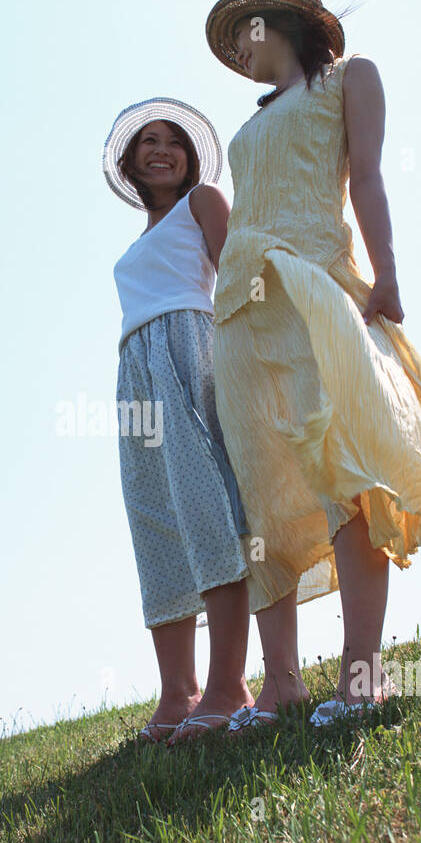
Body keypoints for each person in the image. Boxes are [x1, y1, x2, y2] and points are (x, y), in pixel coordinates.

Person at [202, 0, 421, 730]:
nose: (237, 58)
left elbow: (369, 177)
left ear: (267, 22)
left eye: (238, 42)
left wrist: (388, 274)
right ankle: (280, 687)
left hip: (313, 283)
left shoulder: (350, 78)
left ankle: (361, 676)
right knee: (265, 494)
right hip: (243, 315)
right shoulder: (248, 126)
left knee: (341, 472)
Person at [103, 98, 257, 745]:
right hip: (134, 368)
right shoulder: (137, 242)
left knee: (206, 510)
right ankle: (177, 693)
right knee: (155, 522)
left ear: (188, 156)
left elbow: (239, 276)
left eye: (170, 141)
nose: (160, 150)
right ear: (133, 165)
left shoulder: (204, 203)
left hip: (186, 348)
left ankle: (228, 684)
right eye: (147, 144)